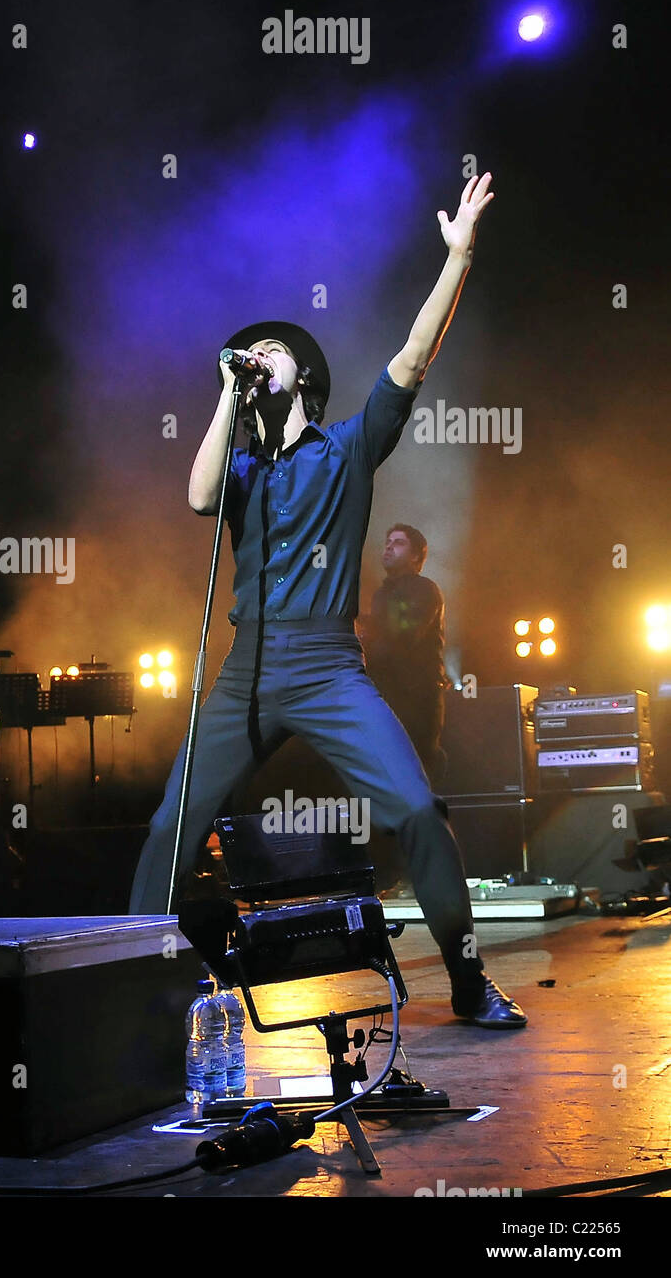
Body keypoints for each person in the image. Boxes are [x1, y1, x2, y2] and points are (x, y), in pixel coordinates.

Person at [129, 173, 526, 1028]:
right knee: (170, 826)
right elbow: (198, 498)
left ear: (303, 377)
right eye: (249, 353)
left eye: (267, 352)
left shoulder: (347, 450)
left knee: (417, 810)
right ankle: (127, 995)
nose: (255, 356)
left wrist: (456, 259)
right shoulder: (243, 468)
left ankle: (465, 976)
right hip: (246, 674)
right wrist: (228, 391)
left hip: (326, 667)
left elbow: (414, 357)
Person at [360, 524, 450, 783]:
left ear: (415, 556)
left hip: (416, 699)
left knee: (416, 772)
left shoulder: (424, 590)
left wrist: (365, 629)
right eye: (388, 541)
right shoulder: (381, 594)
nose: (388, 546)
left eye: (398, 542)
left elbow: (404, 634)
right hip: (387, 697)